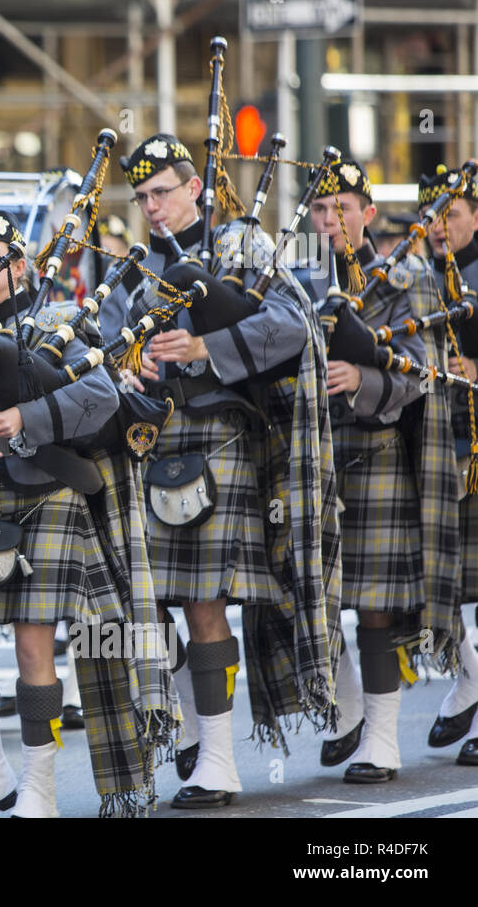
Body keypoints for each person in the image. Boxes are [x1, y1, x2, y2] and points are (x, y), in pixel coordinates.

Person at [101, 132, 337, 809]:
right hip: (152, 441)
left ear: (195, 188)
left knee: (204, 600)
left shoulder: (241, 246)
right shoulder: (138, 267)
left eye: (162, 193)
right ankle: (191, 727)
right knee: (145, 602)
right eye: (142, 196)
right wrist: (127, 363)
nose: (152, 207)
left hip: (220, 439)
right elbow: (103, 349)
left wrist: (208, 343)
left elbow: (298, 325)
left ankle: (220, 761)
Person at [0, 210, 173, 816]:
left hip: (51, 491)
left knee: (31, 647)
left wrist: (25, 419)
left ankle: (39, 786)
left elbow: (101, 396)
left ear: (19, 266)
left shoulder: (60, 320)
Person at [299, 160, 457, 784]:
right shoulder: (295, 281)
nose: (330, 219)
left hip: (380, 451)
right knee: (309, 594)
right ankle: (351, 709)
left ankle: (384, 741)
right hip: (309, 455)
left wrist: (363, 378)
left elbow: (423, 368)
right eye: (318, 209)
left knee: (376, 608)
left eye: (342, 205)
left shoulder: (408, 277)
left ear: (367, 212)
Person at [417, 165, 478, 767]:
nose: (439, 227)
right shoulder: (415, 277)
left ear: (476, 218)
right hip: (440, 447)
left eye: (451, 214)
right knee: (440, 583)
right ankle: (470, 677)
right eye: (430, 216)